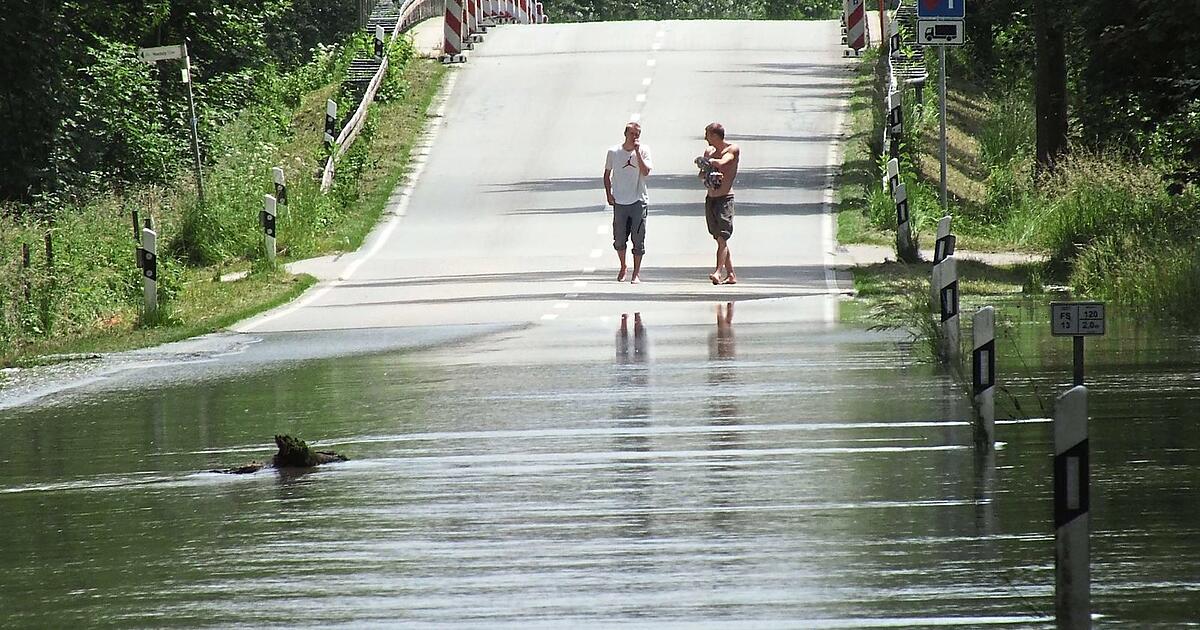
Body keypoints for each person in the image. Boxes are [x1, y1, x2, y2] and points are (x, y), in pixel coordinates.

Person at [604, 122, 653, 284]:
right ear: (626, 134)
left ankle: (636, 273)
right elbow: (606, 174)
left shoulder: (644, 150)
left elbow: (646, 172)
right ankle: (623, 265)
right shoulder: (614, 152)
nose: (635, 137)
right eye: (632, 134)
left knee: (638, 238)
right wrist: (609, 194)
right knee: (619, 238)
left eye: (637, 134)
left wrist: (637, 152)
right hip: (620, 200)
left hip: (638, 200)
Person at [696, 122, 740, 285]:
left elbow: (723, 162)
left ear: (715, 135)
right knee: (720, 239)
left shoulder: (732, 149)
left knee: (722, 237)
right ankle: (731, 275)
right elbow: (701, 175)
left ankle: (718, 272)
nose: (705, 138)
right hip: (711, 199)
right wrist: (705, 170)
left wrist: (709, 162)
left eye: (707, 134)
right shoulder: (709, 151)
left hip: (725, 199)